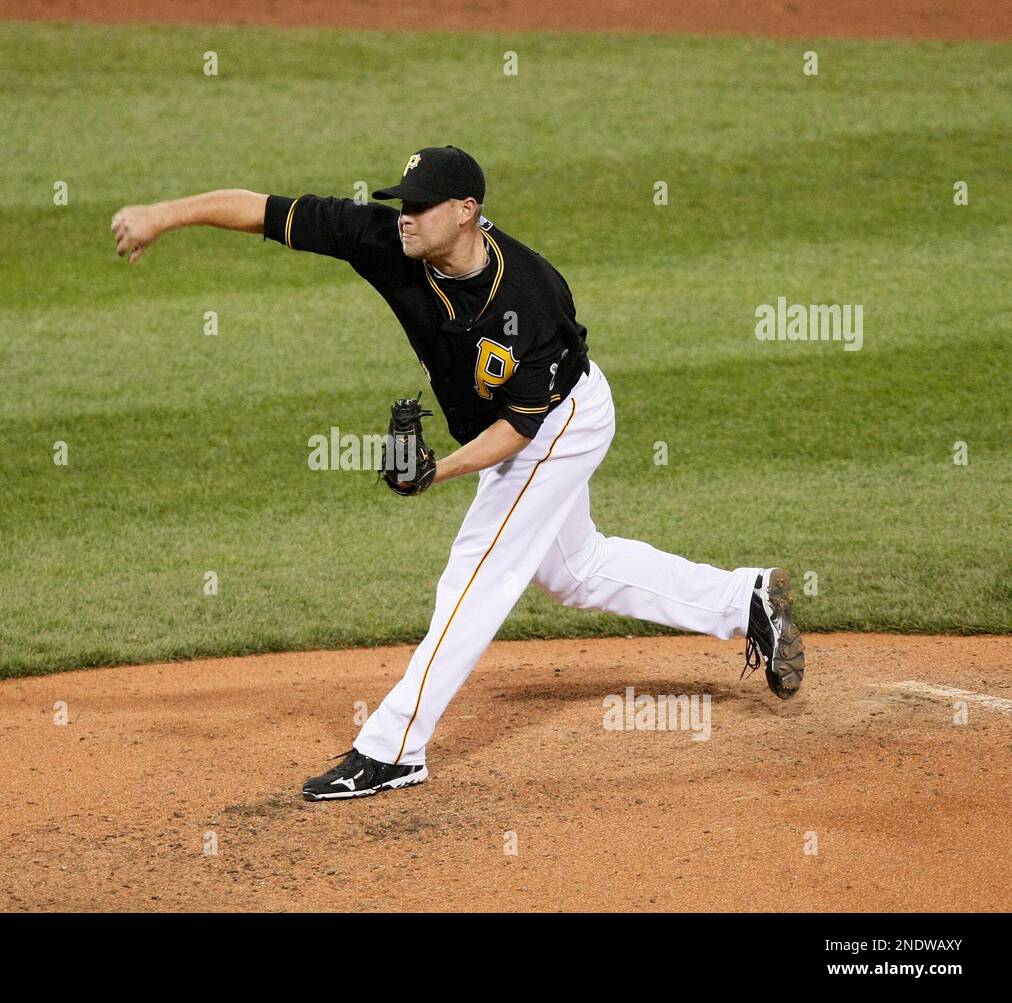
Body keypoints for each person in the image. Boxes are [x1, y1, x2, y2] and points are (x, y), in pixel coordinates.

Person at [111, 146, 805, 803]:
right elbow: (264, 210)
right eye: (401, 201)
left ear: (466, 209)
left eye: (421, 203)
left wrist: (435, 473)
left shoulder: (530, 293)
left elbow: (517, 433)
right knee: (574, 569)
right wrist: (163, 214)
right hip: (521, 429)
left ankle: (393, 748)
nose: (404, 214)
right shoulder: (387, 241)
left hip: (560, 423)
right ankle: (742, 601)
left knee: (476, 573)